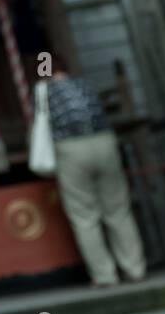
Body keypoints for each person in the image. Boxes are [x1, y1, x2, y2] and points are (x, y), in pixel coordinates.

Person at [43, 66, 147, 287]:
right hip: (104, 141)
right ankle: (135, 269)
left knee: (84, 217)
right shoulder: (84, 85)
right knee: (119, 210)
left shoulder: (44, 92)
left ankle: (105, 276)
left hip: (70, 148)